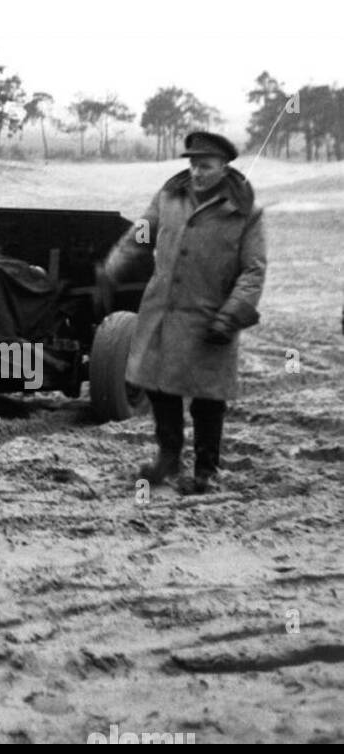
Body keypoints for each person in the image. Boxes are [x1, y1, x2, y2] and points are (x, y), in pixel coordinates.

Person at [100, 130, 266, 495]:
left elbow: (254, 271)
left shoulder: (245, 212)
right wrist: (112, 268)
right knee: (160, 389)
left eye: (205, 166)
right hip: (163, 312)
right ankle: (168, 457)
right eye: (193, 165)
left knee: (208, 400)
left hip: (211, 317)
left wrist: (232, 313)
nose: (197, 172)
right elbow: (139, 236)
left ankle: (207, 470)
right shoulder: (169, 197)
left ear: (224, 167)